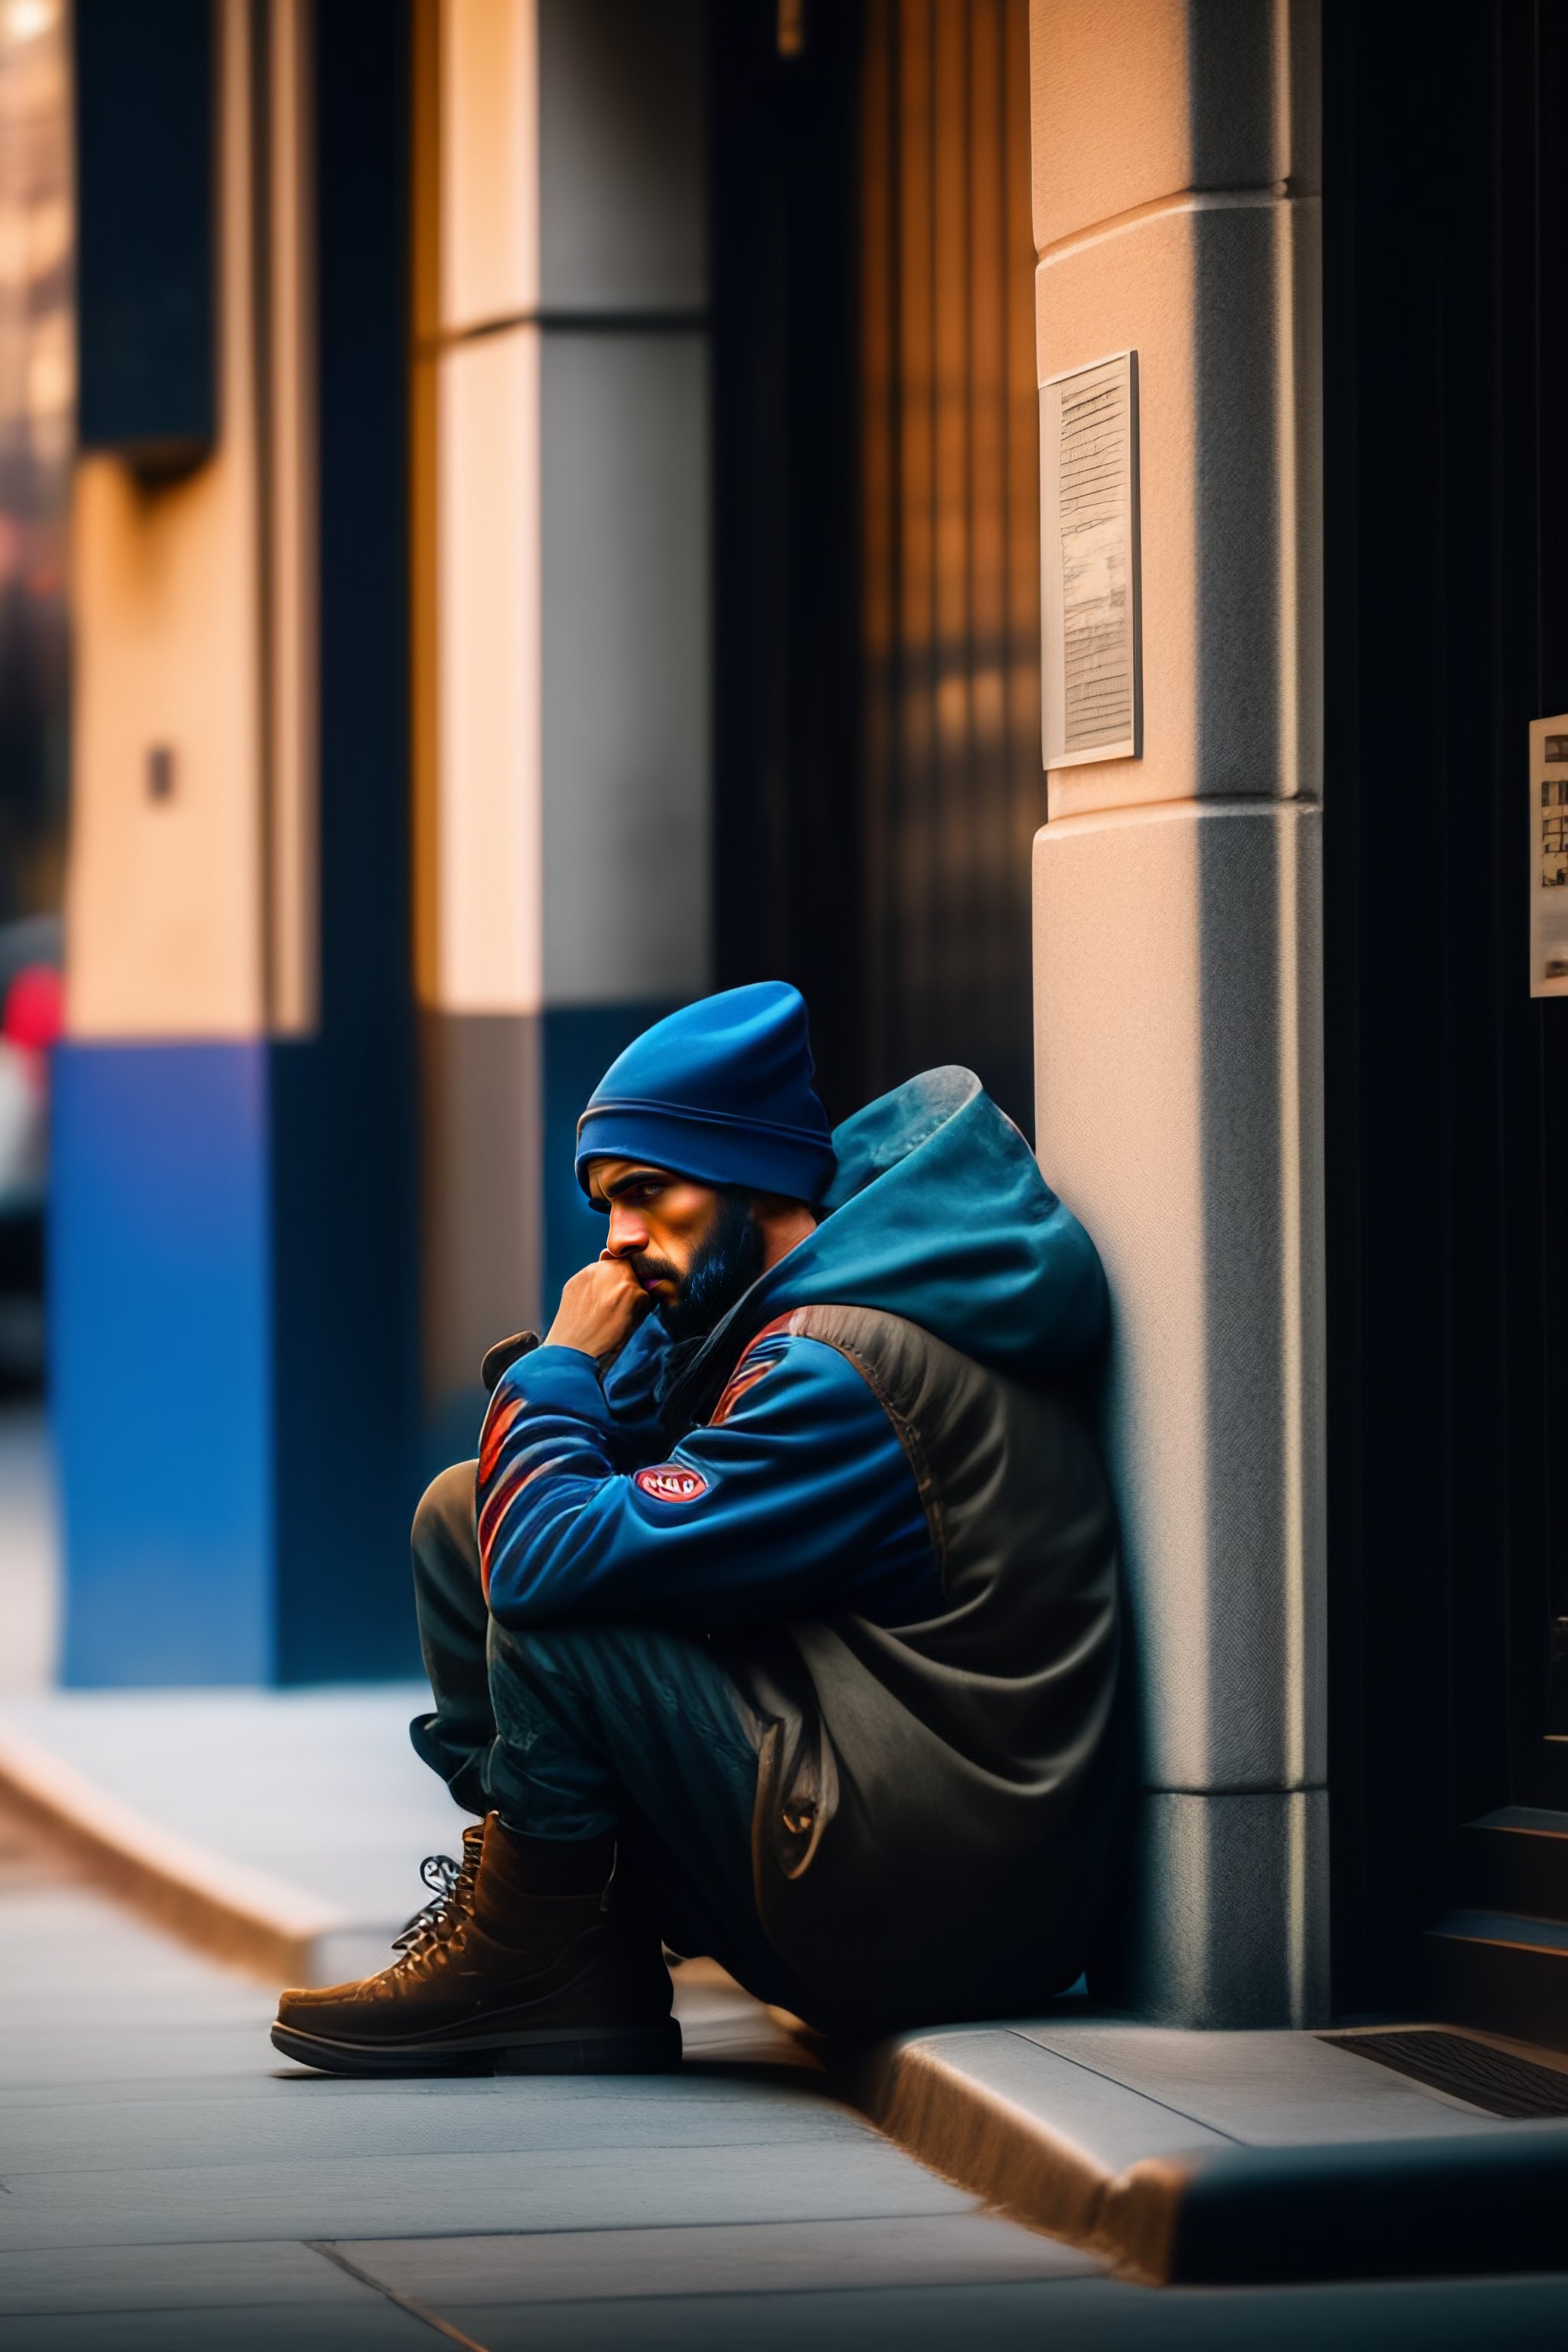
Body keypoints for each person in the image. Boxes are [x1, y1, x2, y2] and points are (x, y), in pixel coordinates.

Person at [272, 982, 1122, 2076]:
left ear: (749, 1182)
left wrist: (562, 1366)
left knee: (554, 1598)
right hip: (890, 1835)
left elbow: (546, 1565)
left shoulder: (837, 1365)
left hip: (937, 1905)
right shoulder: (782, 1325)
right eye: (605, 1206)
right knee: (465, 1513)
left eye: (647, 1194)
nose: (619, 1244)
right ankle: (582, 1949)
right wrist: (603, 1374)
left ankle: (533, 1963)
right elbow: (533, 1517)